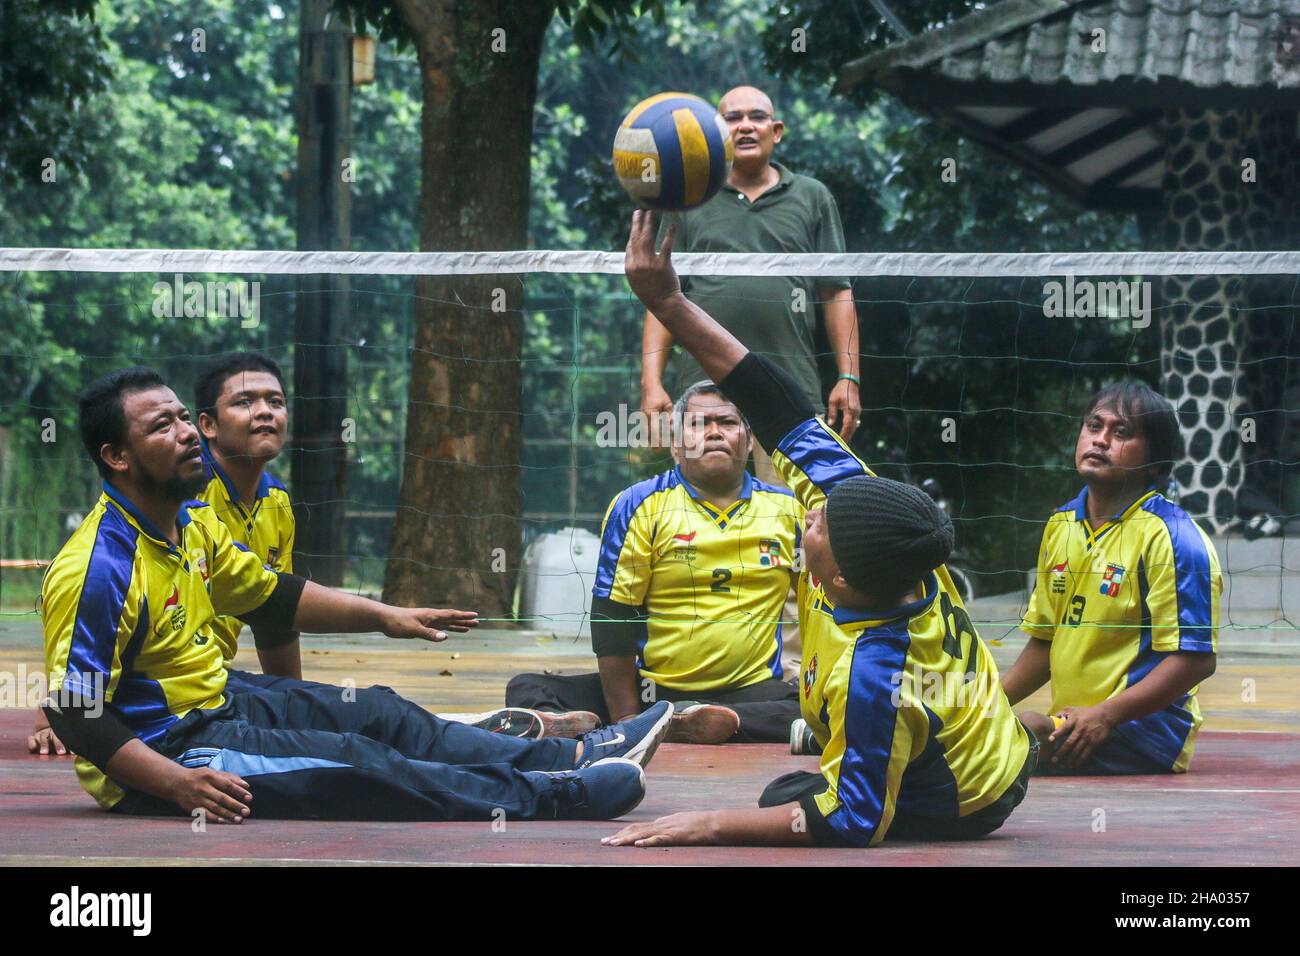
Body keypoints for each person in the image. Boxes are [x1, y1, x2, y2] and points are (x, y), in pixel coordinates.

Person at [39, 366, 673, 822]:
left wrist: (386, 617)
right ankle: (557, 794)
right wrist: (176, 784)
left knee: (377, 711)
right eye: (162, 427)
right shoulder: (99, 567)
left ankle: (577, 750)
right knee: (359, 760)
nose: (185, 433)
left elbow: (275, 599)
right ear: (117, 457)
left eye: (184, 418)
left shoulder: (191, 524)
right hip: (174, 749)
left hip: (221, 699)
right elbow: (75, 710)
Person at [603, 211, 1035, 848]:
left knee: (786, 802)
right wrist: (667, 299)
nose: (810, 509)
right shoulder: (896, 537)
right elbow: (773, 399)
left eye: (819, 523)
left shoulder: (876, 673)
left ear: (836, 578)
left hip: (969, 794)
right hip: (984, 735)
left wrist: (711, 825)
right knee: (795, 784)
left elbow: (854, 823)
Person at [640, 86, 860, 679]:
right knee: (685, 531)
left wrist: (847, 375)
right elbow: (660, 295)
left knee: (803, 532)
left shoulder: (811, 197)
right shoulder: (689, 198)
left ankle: (797, 671)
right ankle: (685, 661)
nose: (743, 125)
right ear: (713, 130)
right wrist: (651, 383)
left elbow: (836, 290)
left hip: (790, 407)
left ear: (777, 130)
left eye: (756, 116)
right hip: (701, 395)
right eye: (731, 116)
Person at [506, 381, 803, 743]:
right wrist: (628, 718)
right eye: (697, 424)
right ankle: (659, 722)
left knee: (817, 702)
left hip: (751, 690)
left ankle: (707, 721)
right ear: (676, 443)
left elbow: (820, 607)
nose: (713, 432)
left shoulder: (789, 510)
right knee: (527, 687)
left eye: (727, 422)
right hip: (653, 690)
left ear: (750, 439)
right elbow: (612, 619)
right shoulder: (639, 505)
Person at [1001, 383, 1221, 774]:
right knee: (972, 726)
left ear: (1156, 462)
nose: (1100, 440)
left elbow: (1196, 659)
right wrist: (979, 708)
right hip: (1073, 723)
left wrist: (1105, 714)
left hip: (1145, 731)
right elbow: (1043, 645)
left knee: (1020, 732)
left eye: (1121, 433)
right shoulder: (1061, 524)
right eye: (1093, 426)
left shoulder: (1173, 537)